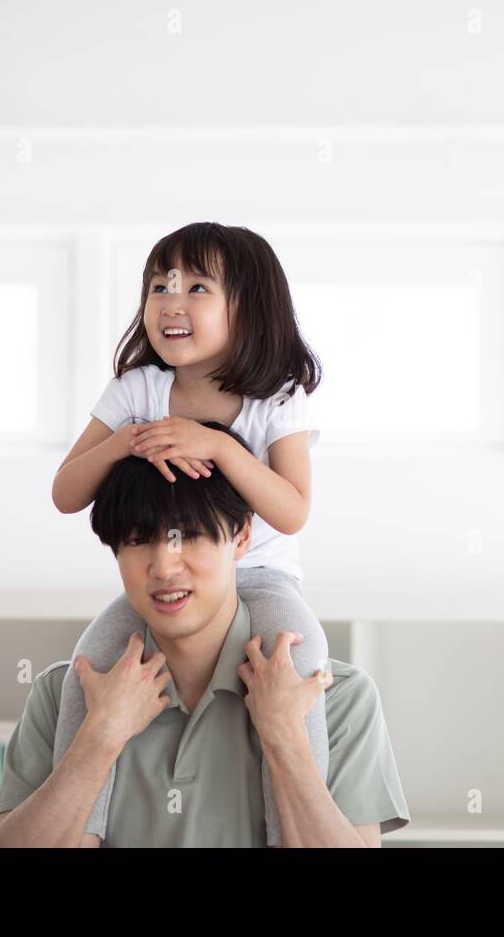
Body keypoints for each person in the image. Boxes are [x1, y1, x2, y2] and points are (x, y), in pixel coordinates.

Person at [0, 423, 409, 846]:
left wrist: (284, 734)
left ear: (242, 535)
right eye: (137, 540)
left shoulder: (339, 698)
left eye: (188, 535)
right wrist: (100, 736)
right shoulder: (66, 694)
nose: (164, 567)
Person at [49, 221, 327, 846]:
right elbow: (67, 492)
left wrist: (220, 450)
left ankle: (293, 830)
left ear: (248, 308)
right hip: (165, 582)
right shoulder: (137, 391)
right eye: (158, 286)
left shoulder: (276, 401)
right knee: (92, 665)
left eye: (197, 286)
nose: (171, 302)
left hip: (263, 581)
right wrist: (123, 442)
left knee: (298, 662)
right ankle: (81, 831)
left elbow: (293, 510)